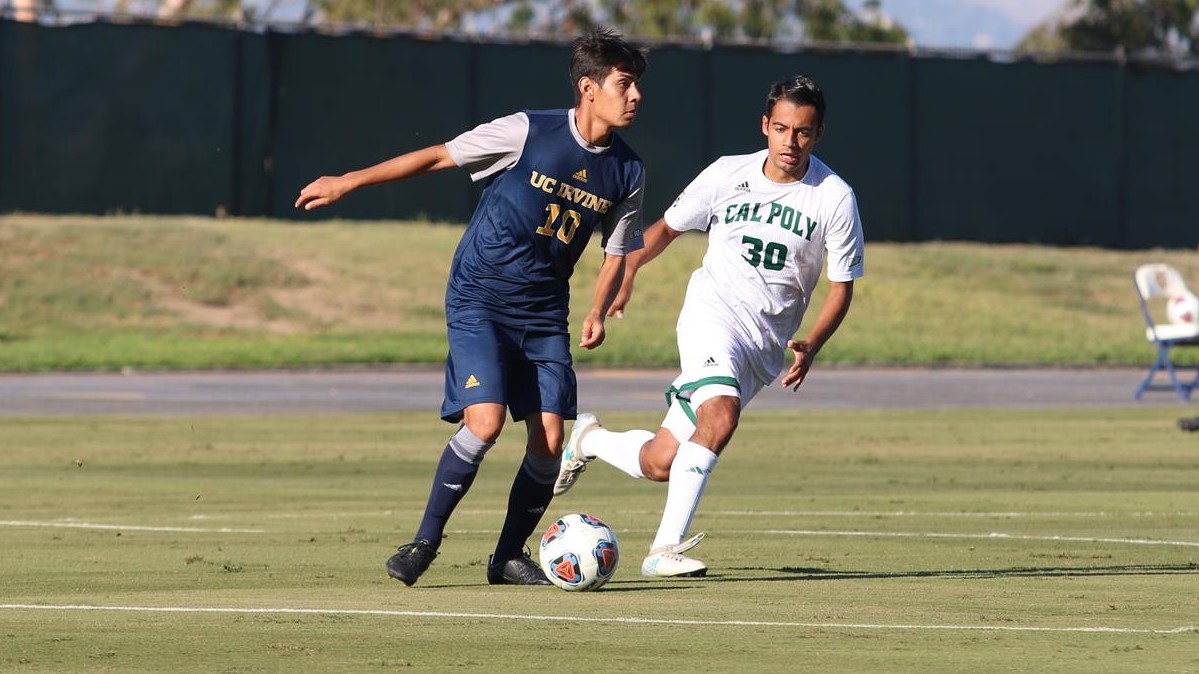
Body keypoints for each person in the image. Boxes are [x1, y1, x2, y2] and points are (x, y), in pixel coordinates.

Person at [295, 27, 647, 587]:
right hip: (480, 295)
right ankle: (424, 544)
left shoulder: (628, 171)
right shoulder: (527, 130)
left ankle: (507, 557)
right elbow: (439, 156)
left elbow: (616, 253)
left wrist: (599, 310)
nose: (634, 96)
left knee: (551, 440)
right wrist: (349, 181)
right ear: (588, 87)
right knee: (483, 425)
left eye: (636, 86)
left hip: (543, 313)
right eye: (624, 84)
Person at [554, 75, 865, 577]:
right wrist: (628, 270)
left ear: (818, 134)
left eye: (803, 132)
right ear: (765, 126)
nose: (790, 142)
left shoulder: (833, 197)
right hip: (711, 317)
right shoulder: (726, 174)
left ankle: (588, 439)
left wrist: (812, 342)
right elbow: (666, 229)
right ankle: (663, 550)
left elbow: (841, 288)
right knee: (720, 415)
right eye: (781, 128)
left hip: (761, 350)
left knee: (660, 461)